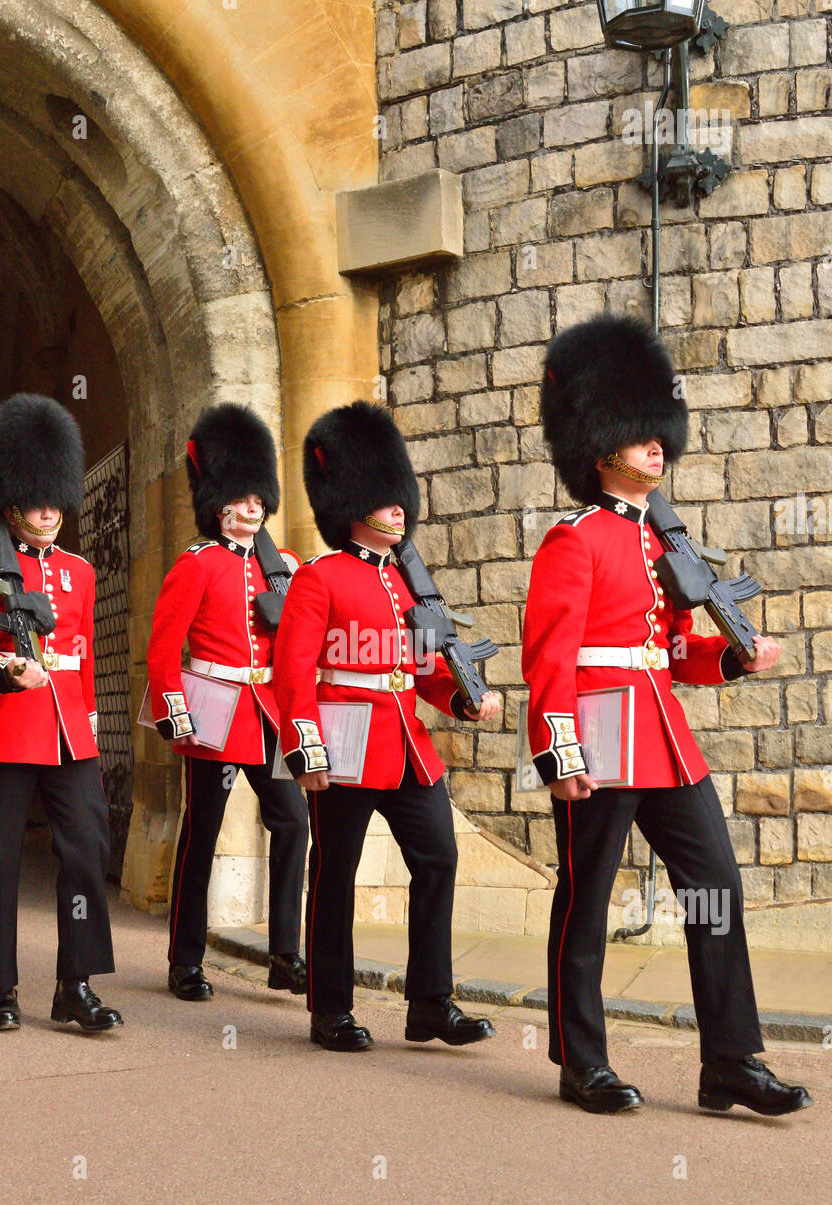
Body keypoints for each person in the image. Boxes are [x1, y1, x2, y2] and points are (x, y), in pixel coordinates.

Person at [522, 314, 811, 1116]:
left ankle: (730, 1060)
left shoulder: (665, 541)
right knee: (586, 899)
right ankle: (582, 1060)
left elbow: (674, 648)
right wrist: (561, 751)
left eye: (660, 434)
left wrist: (732, 656)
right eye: (642, 434)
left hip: (665, 740)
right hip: (602, 735)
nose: (658, 447)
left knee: (714, 886)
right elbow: (550, 659)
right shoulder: (572, 541)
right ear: (600, 443)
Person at [273, 400, 501, 1052]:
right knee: (336, 873)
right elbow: (293, 675)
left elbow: (426, 669)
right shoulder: (319, 579)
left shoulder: (410, 585)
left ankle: (430, 1002)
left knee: (439, 858)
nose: (399, 507)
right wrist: (305, 749)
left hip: (408, 744)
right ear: (350, 503)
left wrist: (463, 701)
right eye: (384, 496)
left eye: (399, 496)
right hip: (344, 743)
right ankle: (330, 1009)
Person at [0, 393, 123, 1034]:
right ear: (12, 502)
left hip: (71, 736)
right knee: (1, 868)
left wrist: (93, 724)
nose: (49, 511)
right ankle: (1, 990)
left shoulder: (79, 571)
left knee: (83, 855)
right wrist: (2, 670)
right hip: (4, 732)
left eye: (55, 499)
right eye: (37, 500)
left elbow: (83, 659)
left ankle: (74, 984)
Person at [147, 403, 308, 1001]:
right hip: (214, 709)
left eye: (256, 499)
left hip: (266, 712)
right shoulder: (197, 564)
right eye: (240, 499)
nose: (251, 509)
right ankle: (185, 960)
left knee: (292, 820)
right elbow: (164, 647)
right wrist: (172, 707)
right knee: (203, 834)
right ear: (217, 503)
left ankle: (286, 953)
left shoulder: (283, 565)